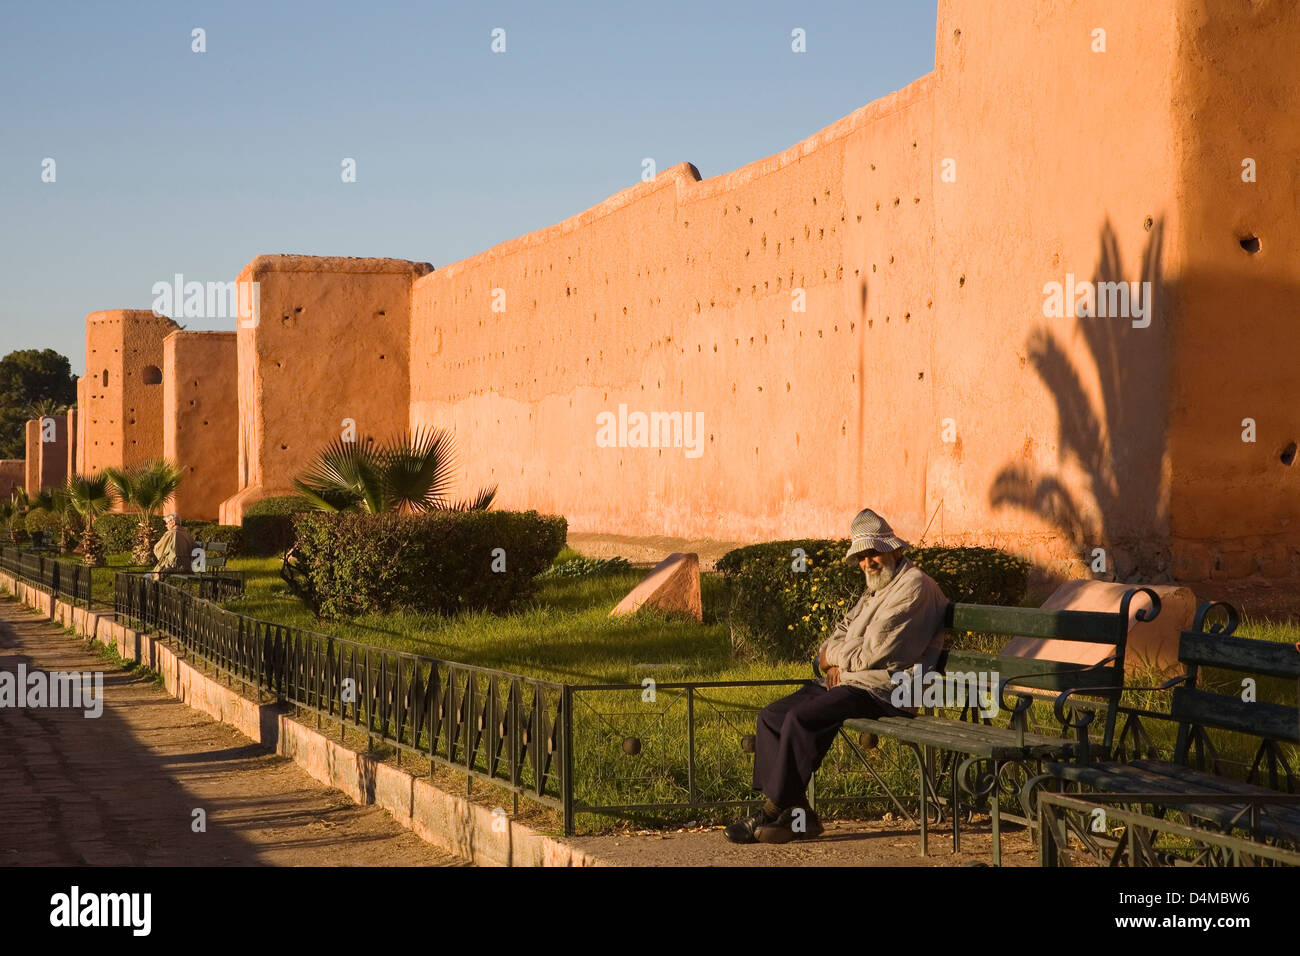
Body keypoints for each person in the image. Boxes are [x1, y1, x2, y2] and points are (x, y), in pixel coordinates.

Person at [724, 508, 950, 844]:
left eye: (872, 552)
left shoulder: (913, 587)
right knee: (772, 717)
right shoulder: (879, 586)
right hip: (853, 682)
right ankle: (800, 814)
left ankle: (771, 811)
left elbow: (875, 654)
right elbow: (839, 634)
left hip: (889, 690)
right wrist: (830, 660)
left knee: (802, 719)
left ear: (893, 548)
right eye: (861, 556)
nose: (867, 562)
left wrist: (835, 659)